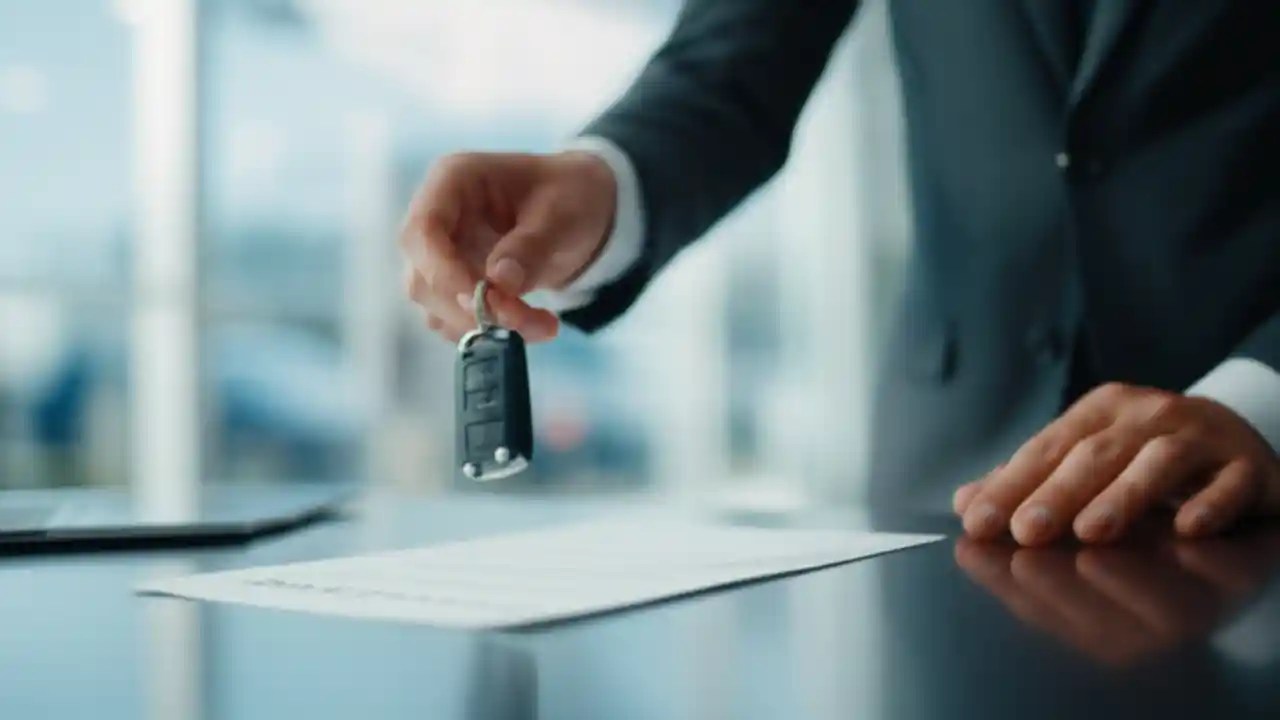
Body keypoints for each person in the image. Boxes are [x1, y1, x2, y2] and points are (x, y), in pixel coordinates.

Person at [398, 1, 1280, 545]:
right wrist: (599, 184)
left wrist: (1259, 402)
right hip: (947, 501)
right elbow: (739, 54)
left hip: (1247, 504)